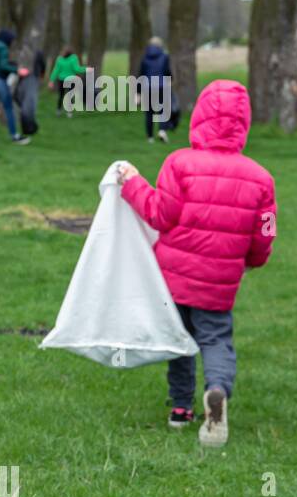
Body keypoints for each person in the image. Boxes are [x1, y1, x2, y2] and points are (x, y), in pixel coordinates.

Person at [117, 80, 276, 448]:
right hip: (220, 280)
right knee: (216, 339)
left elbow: (159, 213)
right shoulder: (261, 179)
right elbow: (264, 233)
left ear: (200, 116)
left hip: (173, 279)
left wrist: (133, 184)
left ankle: (180, 409)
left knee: (179, 340)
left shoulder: (179, 163)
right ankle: (217, 389)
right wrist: (254, 261)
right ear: (244, 123)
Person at [0, 29, 30, 145]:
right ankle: (14, 135)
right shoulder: (3, 48)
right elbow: (3, 65)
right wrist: (18, 70)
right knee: (8, 108)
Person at [136, 36, 176, 143]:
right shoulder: (164, 56)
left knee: (149, 113)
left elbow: (141, 75)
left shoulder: (144, 58)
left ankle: (150, 137)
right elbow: (167, 71)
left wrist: (138, 93)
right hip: (162, 86)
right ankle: (162, 130)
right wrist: (171, 80)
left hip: (147, 87)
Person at [15, 47, 46, 138]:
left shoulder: (35, 51)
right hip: (26, 78)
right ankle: (29, 127)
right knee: (25, 102)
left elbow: (42, 64)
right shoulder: (24, 50)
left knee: (26, 103)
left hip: (29, 77)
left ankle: (29, 128)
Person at [50, 47, 86, 116]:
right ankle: (69, 112)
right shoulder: (74, 58)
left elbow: (56, 71)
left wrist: (51, 81)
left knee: (61, 95)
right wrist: (85, 68)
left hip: (61, 80)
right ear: (72, 53)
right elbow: (77, 69)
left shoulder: (59, 59)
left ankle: (58, 110)